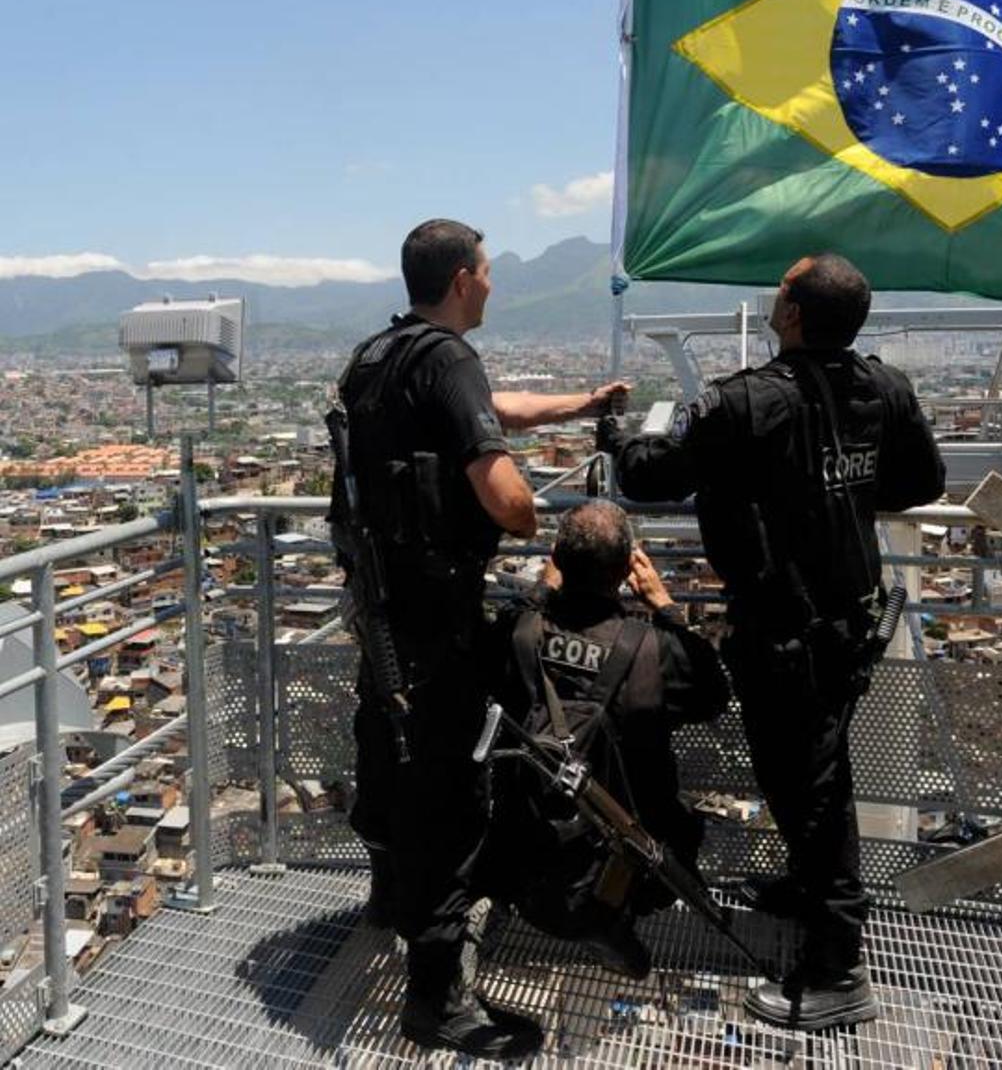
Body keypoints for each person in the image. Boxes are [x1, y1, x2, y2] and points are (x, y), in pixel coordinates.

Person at [601, 252, 945, 1031]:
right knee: (807, 775)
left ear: (790, 313)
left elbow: (652, 476)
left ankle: (838, 970)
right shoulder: (885, 388)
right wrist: (846, 492)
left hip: (784, 630)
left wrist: (618, 438)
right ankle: (803, 890)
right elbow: (921, 482)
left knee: (813, 792)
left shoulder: (744, 402)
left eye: (781, 292)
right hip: (850, 621)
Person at [334, 219, 626, 1059]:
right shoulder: (449, 358)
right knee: (448, 805)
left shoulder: (378, 357)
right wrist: (544, 516)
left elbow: (491, 414)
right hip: (436, 623)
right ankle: (436, 1000)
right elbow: (508, 500)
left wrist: (582, 404)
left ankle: (388, 901)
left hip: (382, 614)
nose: (494, 283)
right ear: (463, 279)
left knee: (388, 761)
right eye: (488, 271)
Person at [482, 500, 730, 978]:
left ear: (557, 560)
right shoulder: (654, 652)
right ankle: (611, 918)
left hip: (523, 844)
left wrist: (541, 590)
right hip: (627, 860)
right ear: (625, 572)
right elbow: (713, 693)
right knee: (676, 818)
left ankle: (504, 903)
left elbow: (487, 653)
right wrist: (666, 607)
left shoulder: (522, 633)